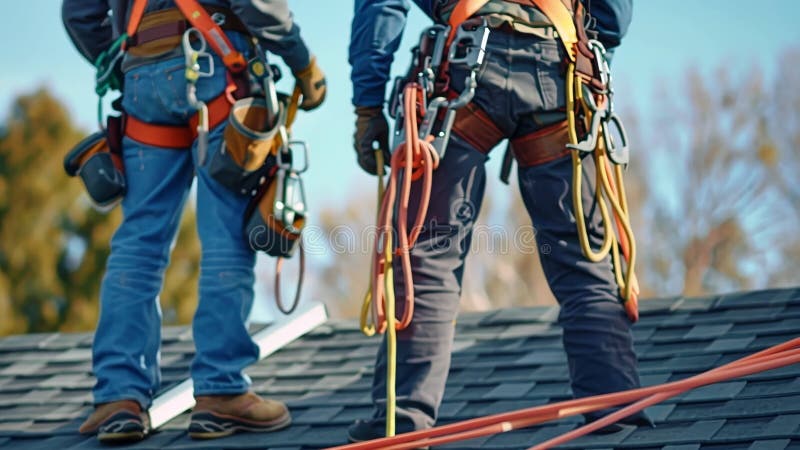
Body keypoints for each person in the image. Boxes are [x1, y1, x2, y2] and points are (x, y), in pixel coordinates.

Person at [349, 0, 650, 442]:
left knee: (429, 258)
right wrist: (583, 44)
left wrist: (368, 105)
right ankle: (617, 414)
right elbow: (613, 16)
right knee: (585, 261)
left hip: (463, 69)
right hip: (558, 69)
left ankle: (403, 426)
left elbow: (382, 6)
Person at [62, 0, 325, 443]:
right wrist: (302, 61)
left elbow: (80, 13)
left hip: (143, 76)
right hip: (219, 69)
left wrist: (129, 56)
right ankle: (221, 392)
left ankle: (118, 398)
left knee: (138, 245)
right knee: (224, 238)